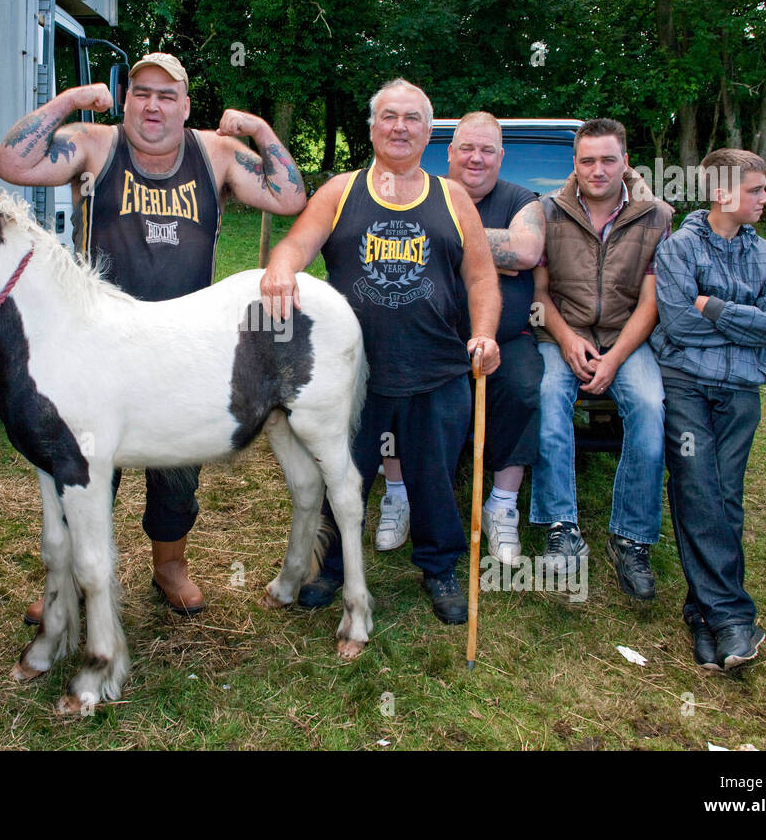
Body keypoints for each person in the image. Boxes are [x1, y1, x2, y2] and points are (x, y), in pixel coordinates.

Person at [0, 52, 307, 620]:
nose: (153, 105)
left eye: (167, 95)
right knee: (81, 462)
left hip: (183, 339)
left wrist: (260, 130)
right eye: (141, 92)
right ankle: (66, 583)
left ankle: (170, 567)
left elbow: (289, 198)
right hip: (98, 342)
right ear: (126, 98)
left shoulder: (215, 154)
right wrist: (67, 101)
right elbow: (10, 162)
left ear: (186, 106)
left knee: (177, 468)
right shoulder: (95, 145)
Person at [259, 79, 501, 625]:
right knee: (337, 471)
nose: (399, 127)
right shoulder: (341, 190)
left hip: (436, 368)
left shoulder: (452, 197)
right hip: (350, 373)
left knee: (435, 477)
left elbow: (482, 276)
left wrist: (483, 334)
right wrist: (280, 267)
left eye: (412, 118)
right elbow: (297, 244)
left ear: (428, 131)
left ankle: (440, 566)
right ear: (371, 128)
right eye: (388, 116)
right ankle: (327, 567)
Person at [651, 148, 766, 669]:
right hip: (688, 386)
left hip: (740, 391)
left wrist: (714, 306)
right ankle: (733, 618)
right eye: (756, 189)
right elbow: (678, 325)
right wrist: (747, 322)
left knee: (725, 496)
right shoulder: (678, 251)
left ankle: (702, 612)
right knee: (697, 487)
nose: (765, 198)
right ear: (722, 193)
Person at [376, 113, 545, 562]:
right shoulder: (420, 190)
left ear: (500, 156)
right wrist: (493, 250)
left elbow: (527, 250)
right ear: (448, 152)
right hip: (425, 336)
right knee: (394, 383)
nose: (476, 158)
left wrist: (446, 242)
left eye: (487, 150)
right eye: (467, 148)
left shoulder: (520, 198)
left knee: (526, 388)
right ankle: (398, 494)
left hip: (504, 339)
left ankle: (501, 505)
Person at [531, 118, 672, 600]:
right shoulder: (546, 211)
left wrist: (613, 359)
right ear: (574, 164)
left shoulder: (657, 216)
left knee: (651, 408)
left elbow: (652, 303)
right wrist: (567, 340)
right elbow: (539, 293)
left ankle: (630, 538)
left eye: (608, 159)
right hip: (558, 334)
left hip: (626, 337)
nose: (597, 170)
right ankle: (559, 526)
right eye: (587, 160)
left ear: (626, 162)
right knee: (549, 397)